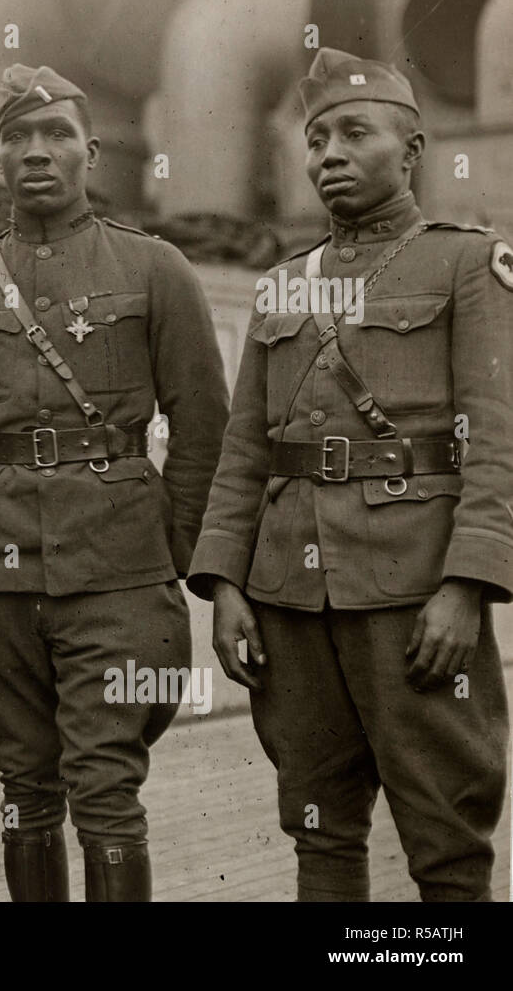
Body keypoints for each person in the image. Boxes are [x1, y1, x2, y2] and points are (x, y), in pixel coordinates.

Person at [188, 47, 513, 901]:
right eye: (317, 134)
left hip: (415, 597)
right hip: (292, 602)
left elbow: (497, 441)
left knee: (445, 842)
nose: (327, 151)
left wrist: (466, 587)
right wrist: (224, 584)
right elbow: (245, 452)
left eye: (354, 132)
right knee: (320, 833)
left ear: (410, 152)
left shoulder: (468, 264)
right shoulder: (281, 288)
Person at [0, 64, 230, 901]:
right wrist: (3, 519)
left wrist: (163, 547)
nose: (37, 151)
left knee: (106, 791)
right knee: (25, 789)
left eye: (56, 134)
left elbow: (204, 424)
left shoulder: (155, 269)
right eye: (18, 137)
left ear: (91, 152)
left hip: (120, 571)